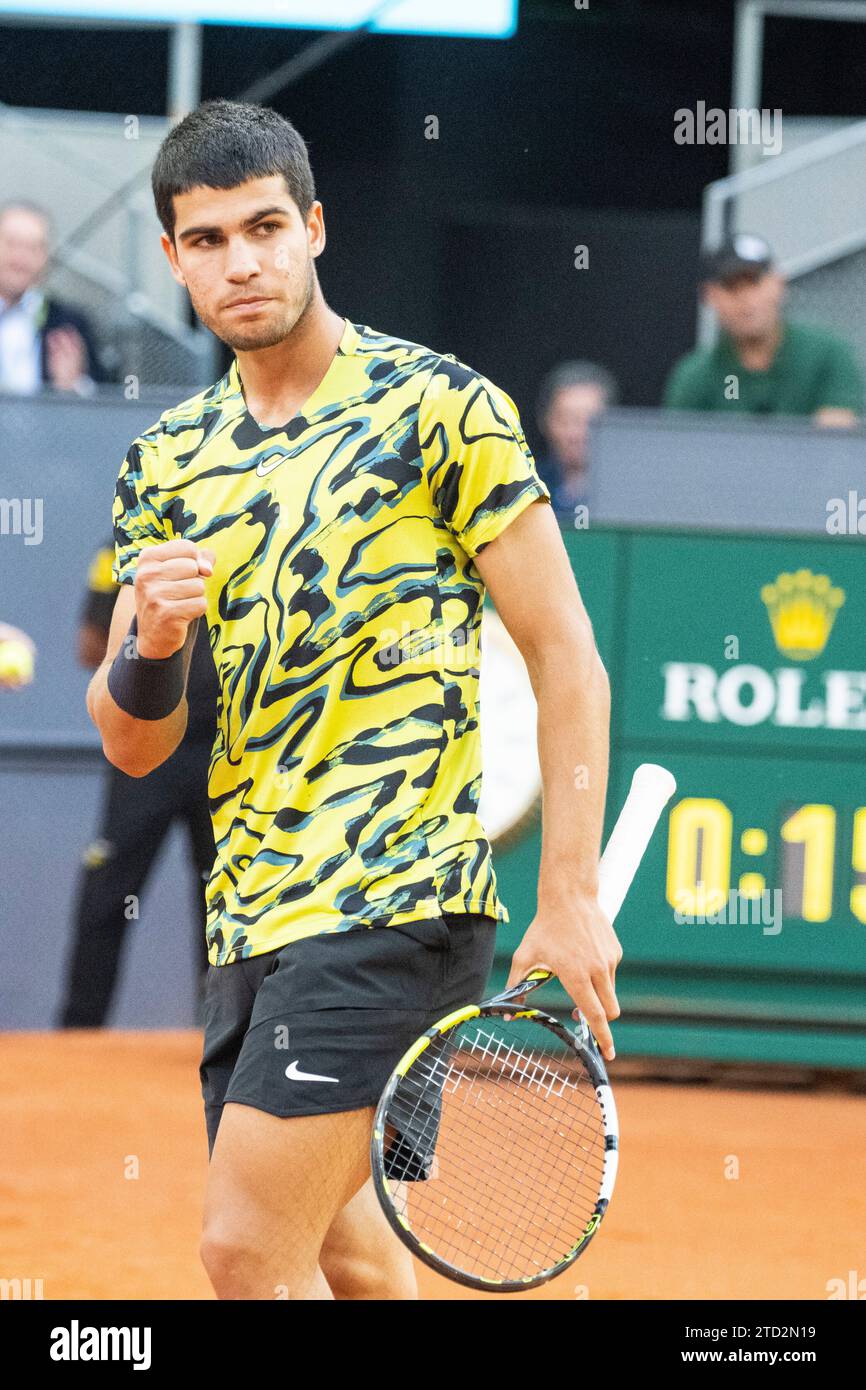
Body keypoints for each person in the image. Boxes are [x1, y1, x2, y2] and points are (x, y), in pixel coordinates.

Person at [85, 99, 618, 1302]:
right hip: (252, 912)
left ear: (314, 226)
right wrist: (155, 639)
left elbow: (564, 654)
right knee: (351, 1249)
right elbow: (129, 738)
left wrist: (569, 892)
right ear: (173, 259)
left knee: (242, 1248)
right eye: (208, 239)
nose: (243, 262)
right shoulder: (165, 464)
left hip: (398, 898)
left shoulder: (442, 408)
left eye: (265, 226)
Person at [57, 540, 217, 1028]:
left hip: (227, 755)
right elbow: (90, 646)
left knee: (221, 898)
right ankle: (78, 1036)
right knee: (110, 890)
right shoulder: (129, 544)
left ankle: (218, 1033)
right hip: (144, 759)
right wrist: (151, 624)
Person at [664, 232, 864, 425]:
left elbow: (838, 439)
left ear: (778, 284)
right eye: (732, 287)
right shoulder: (697, 375)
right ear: (710, 295)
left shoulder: (826, 355)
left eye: (754, 282)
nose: (746, 299)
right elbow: (681, 449)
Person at [0, 201, 106, 396]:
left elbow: (108, 399)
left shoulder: (70, 324)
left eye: (33, 248)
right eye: (11, 244)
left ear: (46, 257)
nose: (20, 258)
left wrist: (74, 385)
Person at [535, 361, 618, 517]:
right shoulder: (525, 489)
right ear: (544, 421)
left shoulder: (629, 492)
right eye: (565, 420)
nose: (576, 434)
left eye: (589, 422)